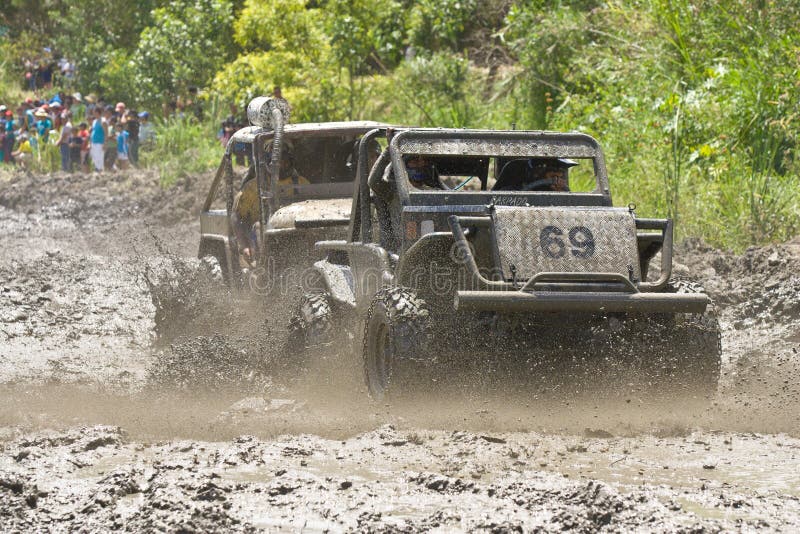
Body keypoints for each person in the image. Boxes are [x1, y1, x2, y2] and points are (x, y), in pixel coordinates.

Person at [493, 157, 577, 192]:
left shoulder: (562, 192)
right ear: (538, 171)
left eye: (562, 171)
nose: (559, 175)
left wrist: (563, 195)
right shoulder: (511, 191)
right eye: (553, 170)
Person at [89, 107, 106, 171]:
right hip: (94, 142)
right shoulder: (94, 121)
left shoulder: (103, 121)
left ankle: (100, 171)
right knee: (94, 157)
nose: (93, 114)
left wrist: (105, 143)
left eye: (94, 112)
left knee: (100, 158)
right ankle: (96, 170)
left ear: (98, 113)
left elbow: (106, 133)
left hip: (100, 142)